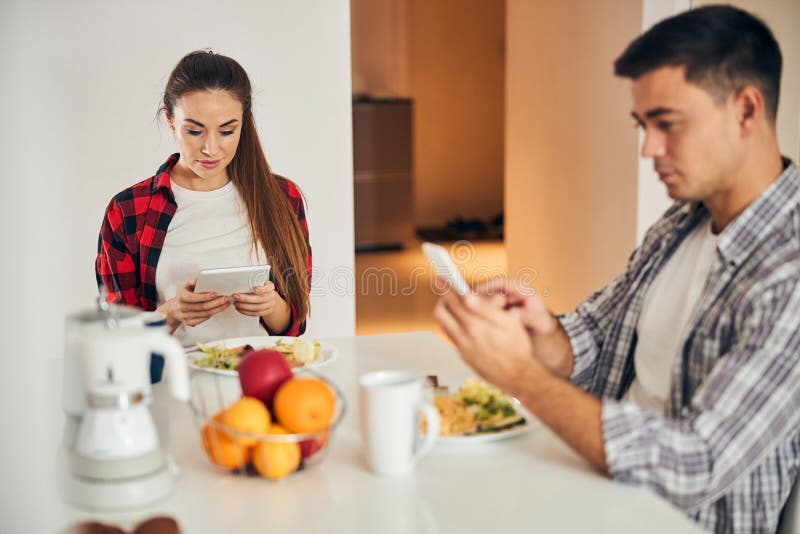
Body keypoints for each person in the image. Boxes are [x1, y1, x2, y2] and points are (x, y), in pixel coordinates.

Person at [434, 6, 799, 533]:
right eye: (643, 125)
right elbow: (600, 335)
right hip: (594, 489)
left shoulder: (789, 270)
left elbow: (694, 463)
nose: (649, 148)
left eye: (667, 124)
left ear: (745, 110)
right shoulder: (681, 222)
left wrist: (521, 375)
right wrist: (540, 332)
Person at [96, 50, 311, 345]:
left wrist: (271, 305)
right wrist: (171, 313)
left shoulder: (283, 199)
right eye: (194, 131)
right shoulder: (128, 211)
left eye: (227, 131)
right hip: (173, 382)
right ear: (170, 118)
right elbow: (116, 339)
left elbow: (295, 327)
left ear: (244, 123)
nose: (211, 149)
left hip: (258, 380)